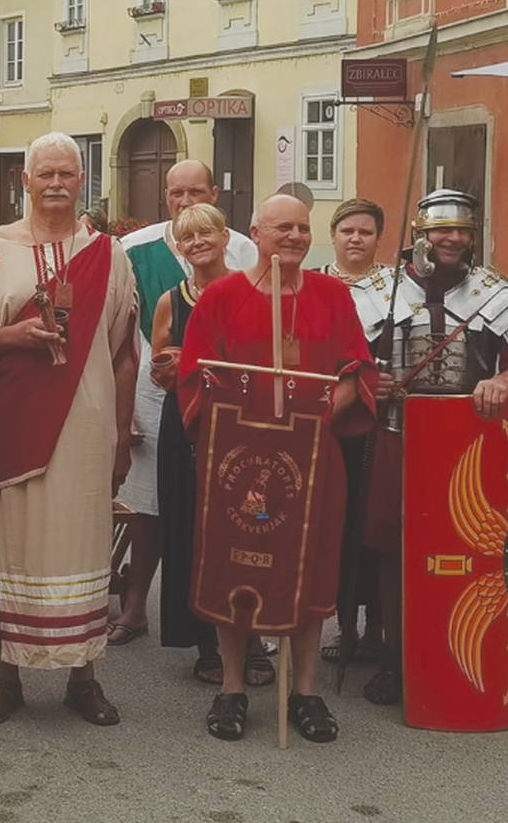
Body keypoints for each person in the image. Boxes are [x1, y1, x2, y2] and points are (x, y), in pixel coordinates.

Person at [0, 131, 138, 728]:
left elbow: (125, 351)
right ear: (23, 182)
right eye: (44, 174)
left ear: (83, 181)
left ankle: (85, 675)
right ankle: (7, 678)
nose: (56, 184)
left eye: (67, 174)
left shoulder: (110, 252)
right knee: (15, 546)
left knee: (83, 544)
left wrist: (122, 435)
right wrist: (13, 338)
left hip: (86, 424)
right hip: (17, 423)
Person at [176, 193, 378, 743]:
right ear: (255, 233)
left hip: (314, 460)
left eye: (301, 227)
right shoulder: (220, 298)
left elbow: (356, 369)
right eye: (281, 227)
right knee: (235, 568)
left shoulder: (333, 296)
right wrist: (249, 423)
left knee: (308, 571)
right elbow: (195, 377)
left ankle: (305, 691)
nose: (292, 236)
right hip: (237, 467)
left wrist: (317, 414)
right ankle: (233, 687)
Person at [357, 189, 508, 707]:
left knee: (467, 554)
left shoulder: (493, 292)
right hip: (395, 437)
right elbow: (346, 357)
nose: (454, 240)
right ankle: (394, 655)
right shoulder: (378, 289)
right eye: (443, 230)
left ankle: (462, 649)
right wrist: (367, 380)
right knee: (392, 550)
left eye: (463, 231)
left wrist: (505, 380)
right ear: (420, 233)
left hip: (466, 446)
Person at [112, 161, 258, 650]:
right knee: (150, 503)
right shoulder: (135, 248)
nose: (186, 200)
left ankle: (237, 619)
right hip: (159, 395)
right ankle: (137, 604)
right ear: (166, 197)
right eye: (177, 193)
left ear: (215, 192)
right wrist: (125, 402)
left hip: (229, 397)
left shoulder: (241, 248)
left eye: (197, 191)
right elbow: (124, 334)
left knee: (226, 504)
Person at [148, 203, 233, 685]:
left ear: (224, 237)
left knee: (240, 529)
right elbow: (161, 369)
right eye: (189, 237)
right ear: (180, 247)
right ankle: (203, 639)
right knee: (189, 528)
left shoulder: (250, 290)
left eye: (207, 234)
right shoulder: (170, 299)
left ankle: (248, 633)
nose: (199, 243)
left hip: (239, 422)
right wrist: (173, 366)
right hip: (184, 422)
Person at [320, 198, 389, 666]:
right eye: (347, 231)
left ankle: (375, 628)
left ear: (377, 238)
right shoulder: (316, 286)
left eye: (365, 231)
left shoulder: (398, 290)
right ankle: (341, 624)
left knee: (374, 525)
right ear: (334, 235)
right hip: (329, 422)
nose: (356, 239)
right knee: (336, 525)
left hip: (382, 426)